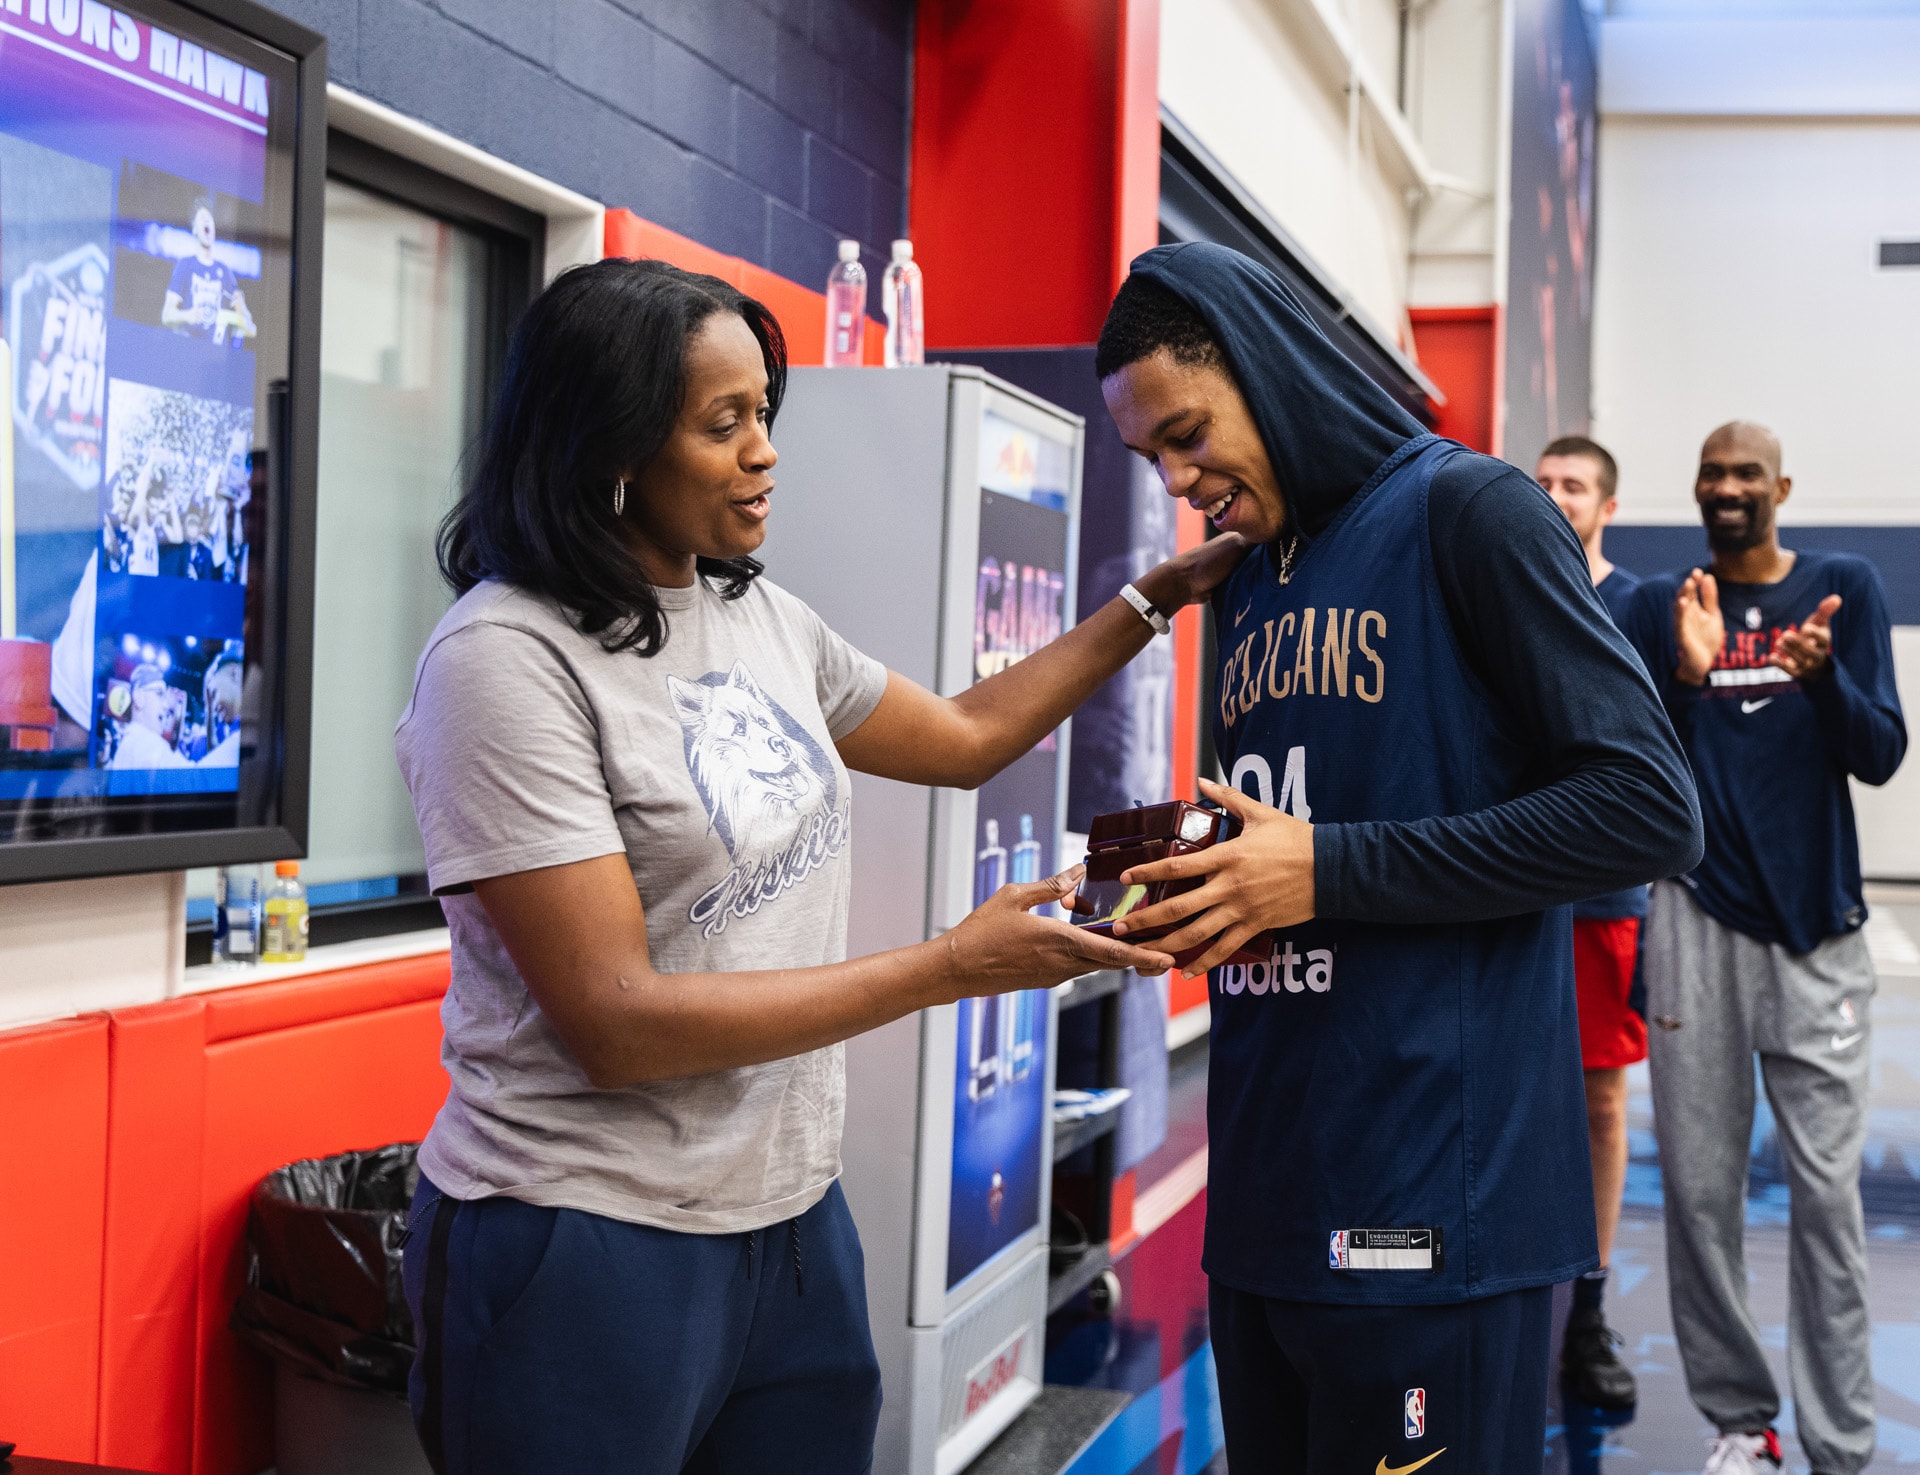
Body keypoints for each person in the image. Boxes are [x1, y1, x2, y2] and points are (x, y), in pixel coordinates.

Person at [392, 258, 1238, 1474]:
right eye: (722, 422)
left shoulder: (755, 614)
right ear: (610, 446)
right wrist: (950, 964)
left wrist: (1152, 598)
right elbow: (615, 1020)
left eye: (766, 415)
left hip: (788, 1222)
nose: (764, 453)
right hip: (582, 1233)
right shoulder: (503, 661)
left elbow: (962, 739)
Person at [1091, 241, 1701, 1475]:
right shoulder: (1249, 569)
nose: (1177, 477)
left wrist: (1326, 872)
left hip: (1434, 1201)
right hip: (1269, 1191)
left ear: (1263, 370)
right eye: (1152, 455)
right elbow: (1302, 818)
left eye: (1190, 433)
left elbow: (1648, 804)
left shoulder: (1467, 510)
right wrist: (1197, 888)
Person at [1622, 421, 1906, 1475]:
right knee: (1699, 1197)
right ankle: (1742, 1418)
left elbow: (1879, 752)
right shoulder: (1667, 606)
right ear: (1695, 486)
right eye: (1713, 471)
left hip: (1815, 934)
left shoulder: (1844, 587)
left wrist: (1823, 678)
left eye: (1748, 472)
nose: (1729, 486)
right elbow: (1631, 762)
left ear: (1781, 485)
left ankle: (1840, 1444)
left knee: (1828, 1201)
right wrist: (1689, 681)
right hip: (1697, 922)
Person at [1537, 433, 1646, 1409]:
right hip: (1500, 884)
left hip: (1603, 897)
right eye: (1544, 483)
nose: (1557, 496)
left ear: (1607, 504)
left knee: (1600, 1101)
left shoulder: (1640, 607)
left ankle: (1592, 1305)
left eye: (1574, 485)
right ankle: (1509, 1287)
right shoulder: (1501, 589)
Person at [161, 198, 255, 344]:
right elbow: (166, 315)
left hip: (217, 356)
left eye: (209, 219)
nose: (206, 222)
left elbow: (249, 326)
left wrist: (242, 312)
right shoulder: (186, 265)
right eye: (201, 219)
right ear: (194, 229)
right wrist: (187, 316)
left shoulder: (225, 272)